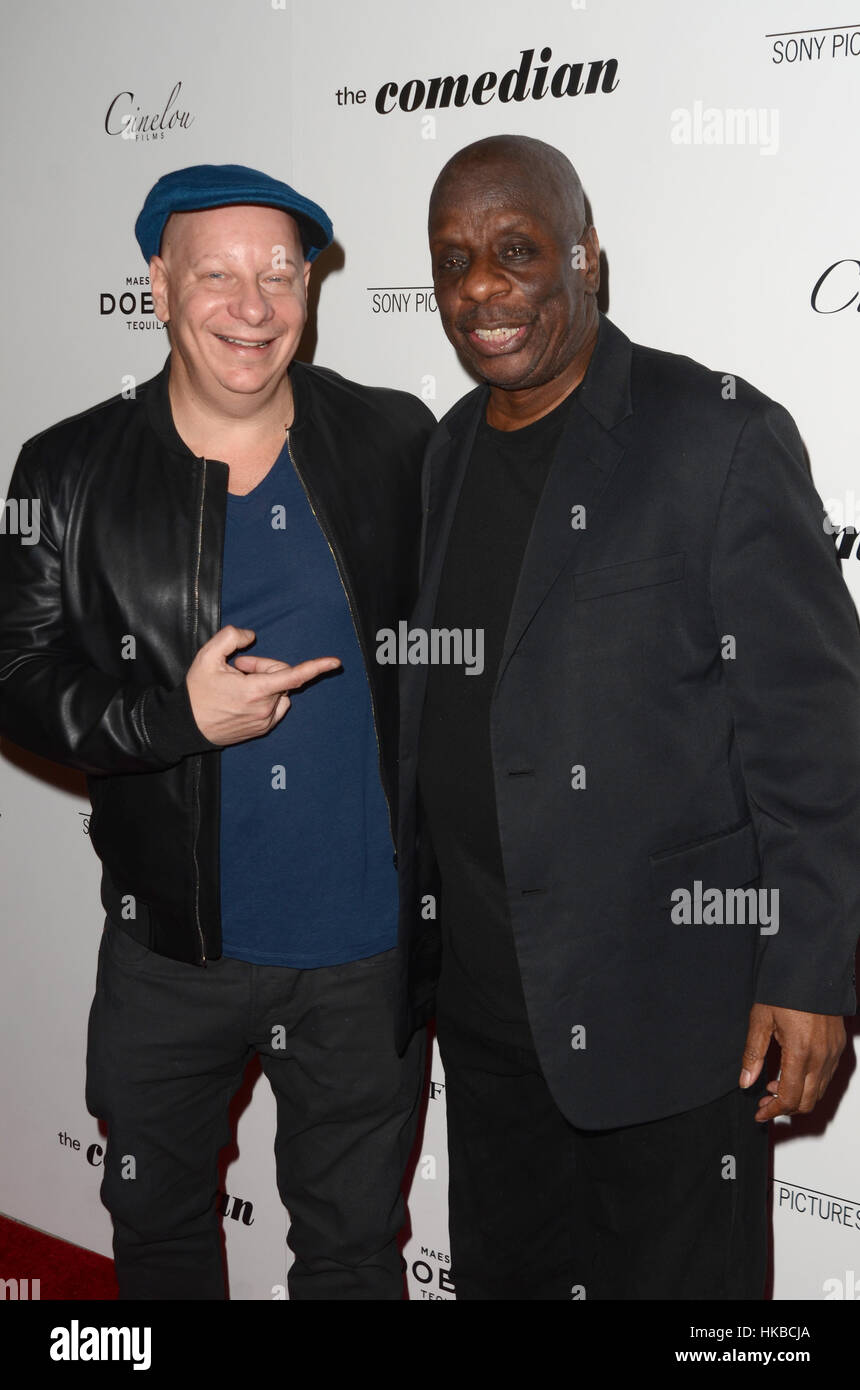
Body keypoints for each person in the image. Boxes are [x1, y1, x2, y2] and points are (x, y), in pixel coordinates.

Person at [394, 134, 860, 1300]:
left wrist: (811, 968)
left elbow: (815, 732)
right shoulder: (444, 450)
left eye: (514, 251)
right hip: (490, 1024)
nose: (481, 289)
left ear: (585, 257)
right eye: (453, 262)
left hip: (670, 1017)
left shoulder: (714, 435)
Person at [0, 163, 435, 1300]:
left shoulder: (396, 440)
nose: (253, 305)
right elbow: (12, 677)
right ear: (157, 285)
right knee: (158, 1234)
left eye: (278, 273)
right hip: (170, 952)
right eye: (217, 274)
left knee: (350, 1252)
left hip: (362, 955)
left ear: (309, 287)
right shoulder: (65, 468)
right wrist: (170, 718)